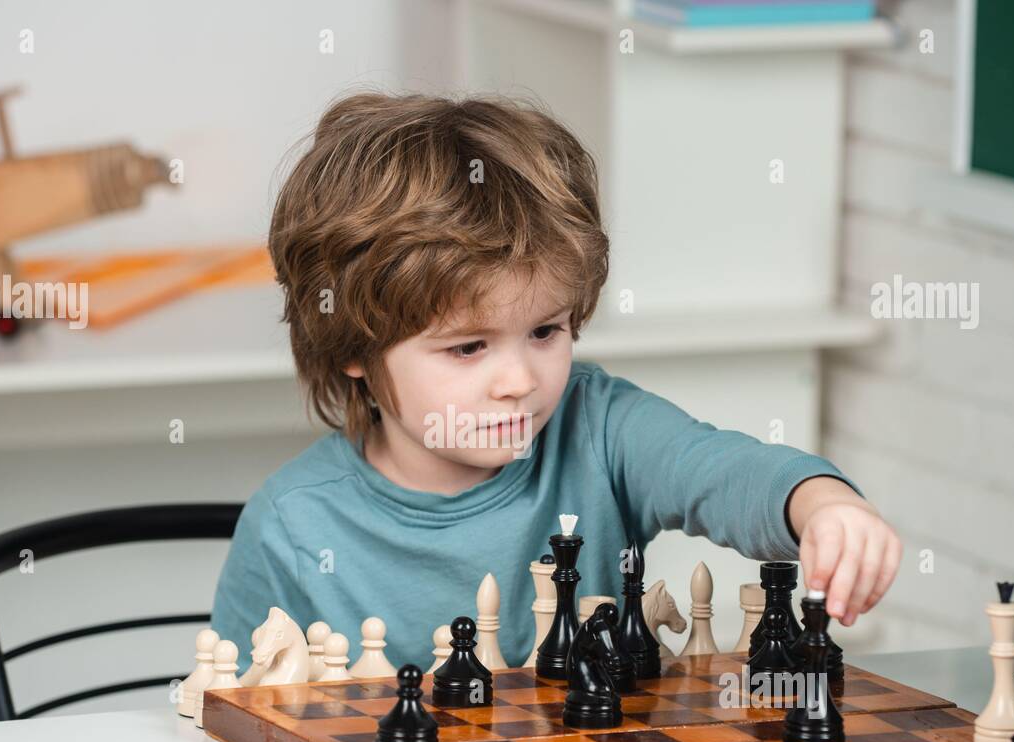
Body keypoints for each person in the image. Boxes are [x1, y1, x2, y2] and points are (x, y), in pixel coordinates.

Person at [211, 91, 901, 671]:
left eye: (546, 331)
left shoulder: (599, 429)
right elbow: (235, 725)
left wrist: (824, 504)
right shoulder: (292, 525)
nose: (518, 380)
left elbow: (725, 470)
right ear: (353, 347)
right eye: (468, 347)